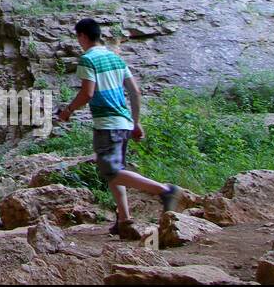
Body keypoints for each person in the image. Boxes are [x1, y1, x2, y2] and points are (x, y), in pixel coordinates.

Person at [56, 18, 182, 239]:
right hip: (123, 122)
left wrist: (68, 111)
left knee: (111, 171)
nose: (79, 42)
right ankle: (124, 221)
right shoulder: (115, 58)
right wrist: (136, 122)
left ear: (83, 36)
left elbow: (87, 93)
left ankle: (164, 191)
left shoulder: (88, 59)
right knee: (115, 173)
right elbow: (135, 92)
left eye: (78, 38)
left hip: (107, 124)